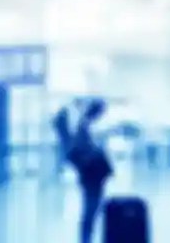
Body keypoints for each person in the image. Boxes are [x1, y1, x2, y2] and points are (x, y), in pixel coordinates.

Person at [54, 99, 114, 243]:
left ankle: (86, 239)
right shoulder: (83, 127)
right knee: (91, 209)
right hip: (91, 175)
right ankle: (85, 239)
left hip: (91, 175)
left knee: (92, 209)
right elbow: (84, 152)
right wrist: (98, 154)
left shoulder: (82, 128)